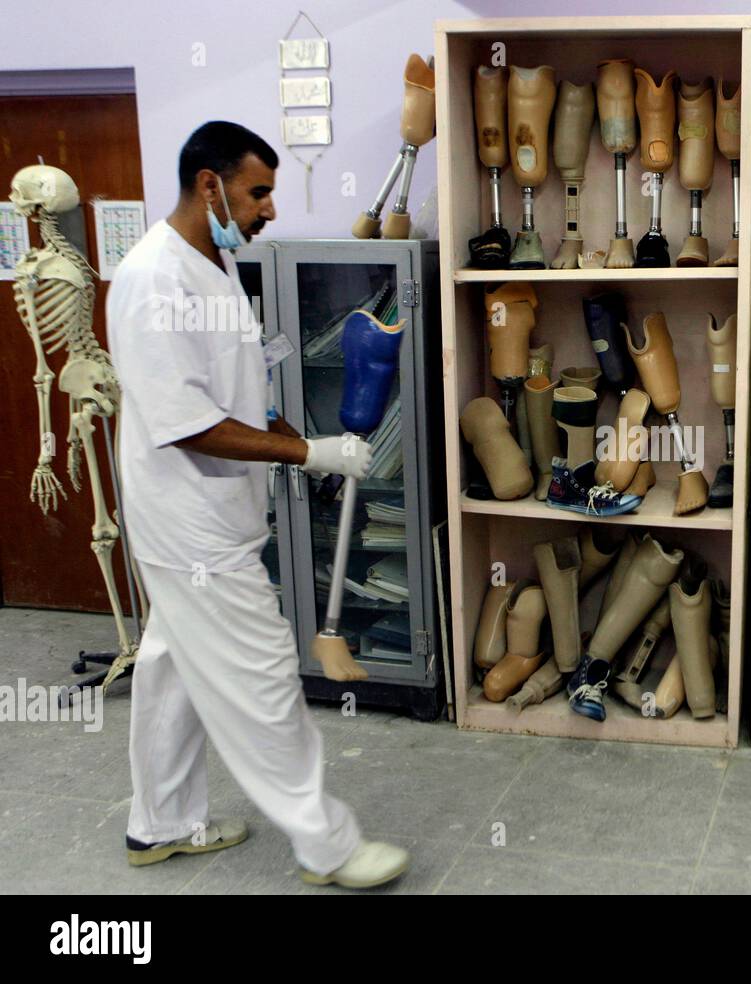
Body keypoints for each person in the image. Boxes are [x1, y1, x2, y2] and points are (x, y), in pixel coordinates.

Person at [107, 121, 408, 889]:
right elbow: (191, 427)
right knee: (265, 675)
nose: (269, 209)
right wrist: (309, 453)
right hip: (191, 525)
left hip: (214, 514)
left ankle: (159, 825)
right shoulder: (154, 281)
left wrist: (303, 442)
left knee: (172, 669)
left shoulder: (211, 265)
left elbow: (240, 398)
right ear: (210, 185)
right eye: (258, 191)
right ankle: (329, 846)